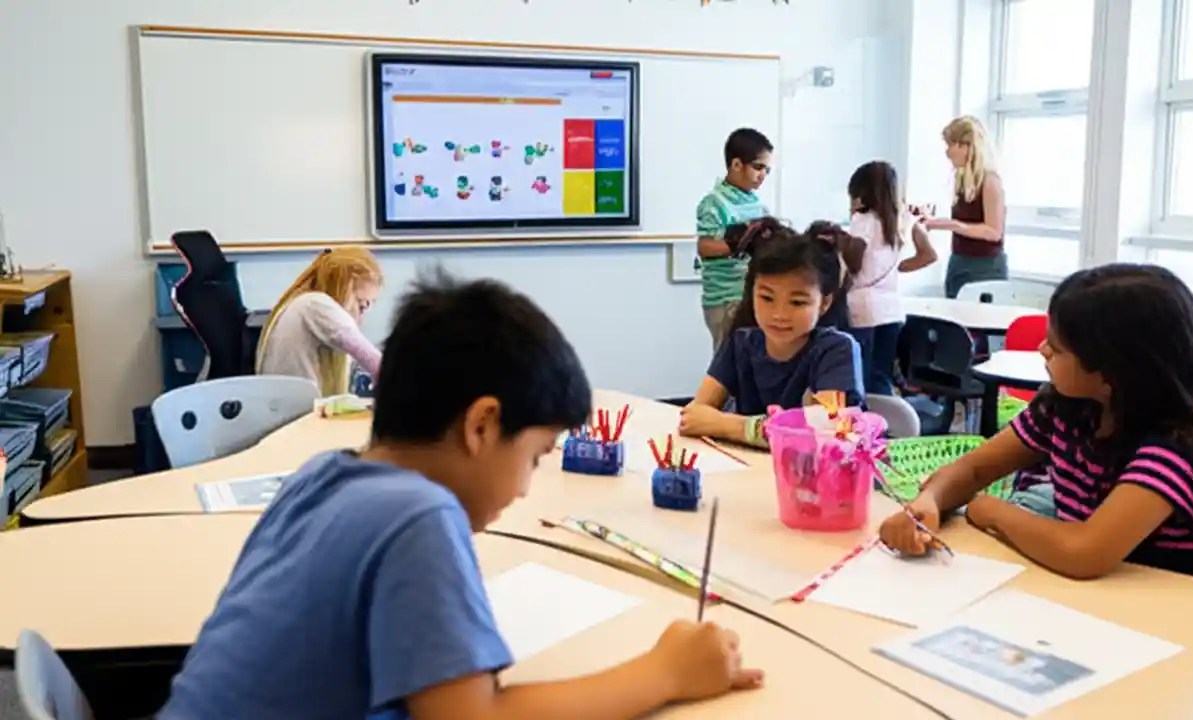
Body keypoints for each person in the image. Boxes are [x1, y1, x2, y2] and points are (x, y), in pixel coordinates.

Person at [160, 270, 763, 720]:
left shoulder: (320, 476)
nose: (526, 486)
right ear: (481, 426)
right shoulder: (416, 515)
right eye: (532, 457)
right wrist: (666, 673)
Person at [879, 264, 1193, 596]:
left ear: (1113, 372)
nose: (1042, 350)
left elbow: (1084, 551)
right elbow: (973, 470)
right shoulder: (1066, 408)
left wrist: (987, 509)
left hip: (1185, 609)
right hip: (1103, 598)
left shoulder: (1177, 446)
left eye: (1057, 347)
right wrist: (929, 501)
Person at [679, 220, 865, 449]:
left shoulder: (836, 350)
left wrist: (726, 425)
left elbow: (825, 432)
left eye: (797, 302)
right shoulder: (741, 343)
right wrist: (772, 430)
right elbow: (694, 415)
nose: (779, 314)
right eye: (766, 298)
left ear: (824, 303)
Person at [845, 161, 937, 396]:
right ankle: (887, 425)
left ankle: (864, 426)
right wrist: (896, 267)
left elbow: (852, 262)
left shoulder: (863, 221)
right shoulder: (904, 219)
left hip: (862, 309)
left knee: (859, 377)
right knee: (881, 376)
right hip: (892, 310)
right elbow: (928, 255)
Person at [256, 246, 384, 396]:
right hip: (301, 414)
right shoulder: (316, 305)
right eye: (362, 305)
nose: (361, 318)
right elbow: (376, 364)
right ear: (344, 288)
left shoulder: (299, 304)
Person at [695, 128, 774, 351]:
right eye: (758, 167)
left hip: (752, 293)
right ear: (737, 164)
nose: (763, 175)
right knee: (727, 364)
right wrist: (737, 242)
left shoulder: (758, 205)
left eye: (767, 170)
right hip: (724, 298)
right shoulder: (714, 202)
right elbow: (705, 247)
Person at [921, 116, 1007, 299]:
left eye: (950, 145)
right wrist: (932, 221)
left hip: (985, 268)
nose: (947, 153)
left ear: (966, 146)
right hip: (959, 262)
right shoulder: (962, 182)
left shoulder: (990, 182)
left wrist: (953, 226)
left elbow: (993, 232)